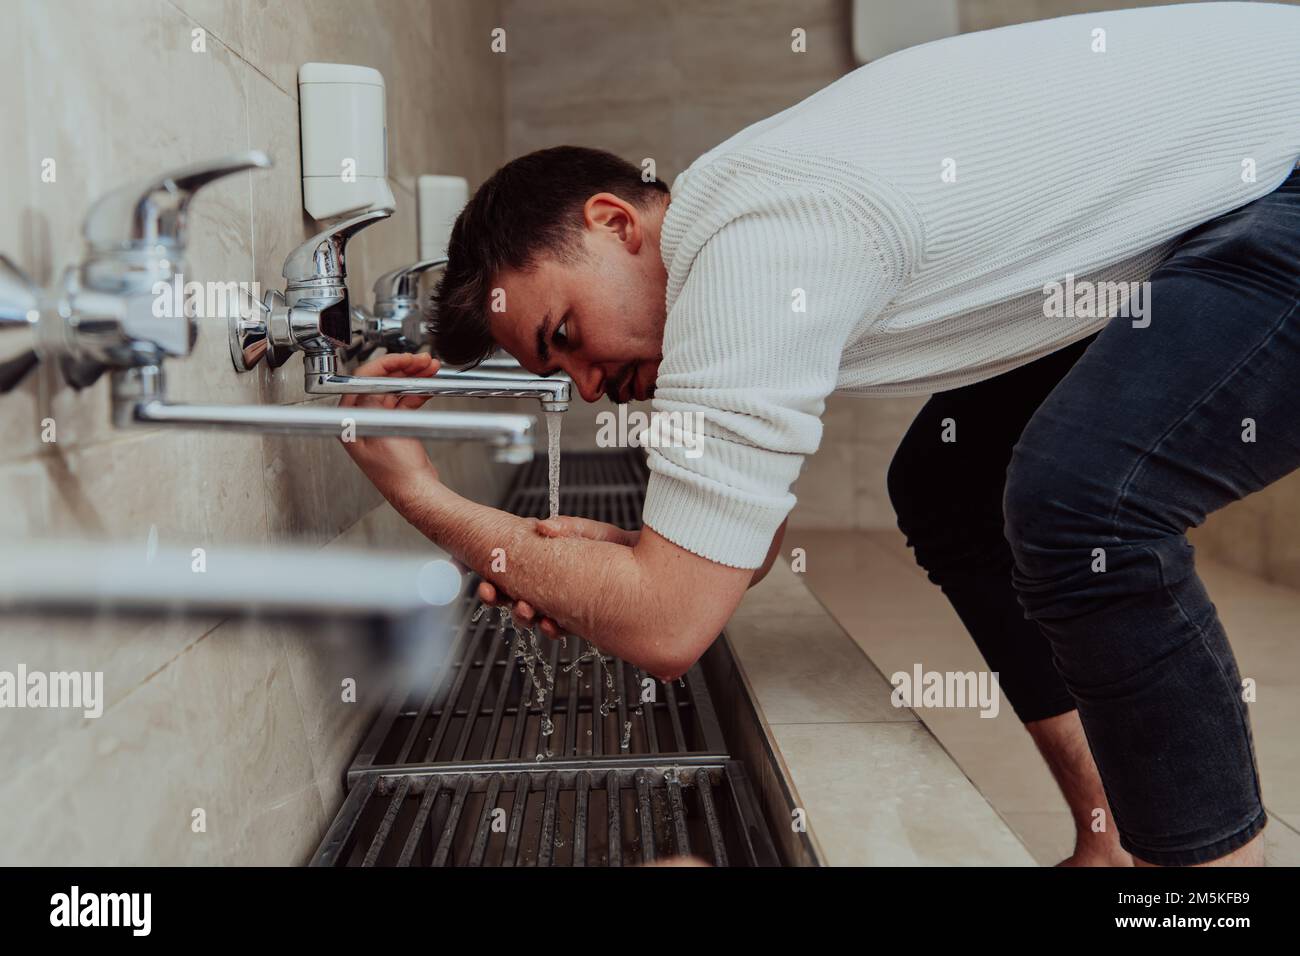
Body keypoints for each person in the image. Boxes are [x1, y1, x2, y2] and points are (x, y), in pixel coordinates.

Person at [341, 2, 1300, 867]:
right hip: (1220, 206)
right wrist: (635, 557)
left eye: (567, 336)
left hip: (1283, 167)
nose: (593, 384)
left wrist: (422, 495)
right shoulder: (745, 219)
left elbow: (670, 626)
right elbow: (741, 549)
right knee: (951, 483)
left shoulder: (755, 242)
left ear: (613, 222)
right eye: (562, 374)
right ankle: (1110, 845)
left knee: (1086, 499)